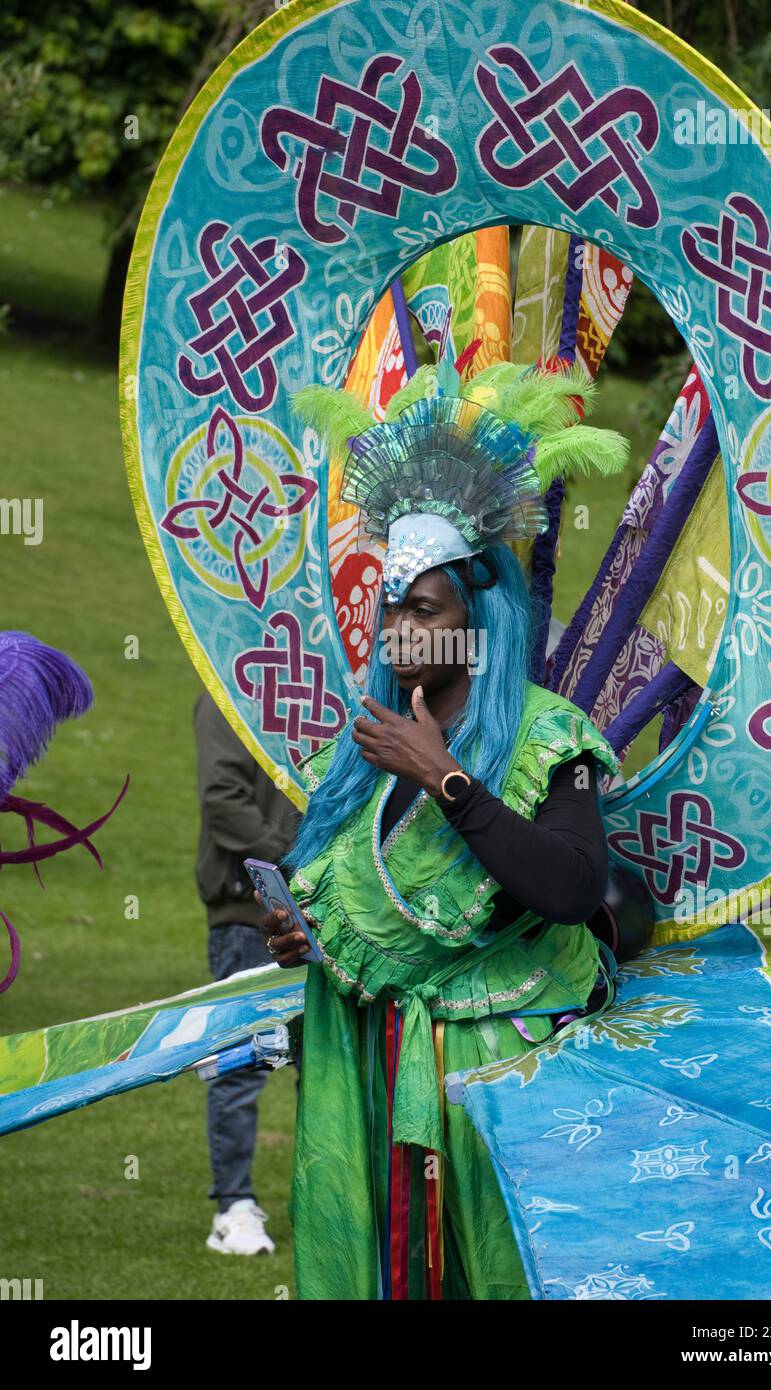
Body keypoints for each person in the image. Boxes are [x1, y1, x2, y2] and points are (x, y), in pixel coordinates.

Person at [260, 356, 636, 1298]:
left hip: (496, 1082)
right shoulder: (363, 751)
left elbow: (571, 888)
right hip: (367, 1060)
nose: (397, 627)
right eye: (388, 605)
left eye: (421, 607)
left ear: (478, 617)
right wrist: (299, 936)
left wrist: (449, 780)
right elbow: (364, 911)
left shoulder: (548, 738)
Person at [194, 690, 302, 1255]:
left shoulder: (333, 688)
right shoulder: (227, 690)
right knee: (241, 1062)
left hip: (328, 912)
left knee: (327, 1063)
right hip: (247, 912)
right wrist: (293, 860)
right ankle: (232, 1207)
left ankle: (326, 1200)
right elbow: (223, 796)